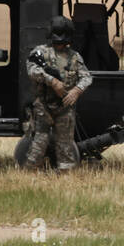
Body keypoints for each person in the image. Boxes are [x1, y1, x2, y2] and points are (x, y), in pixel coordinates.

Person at [22, 16, 92, 171]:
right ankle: (29, 172)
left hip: (65, 108)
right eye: (57, 41)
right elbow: (31, 70)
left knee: (65, 145)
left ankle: (65, 175)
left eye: (62, 41)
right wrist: (52, 81)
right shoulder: (40, 52)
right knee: (39, 142)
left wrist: (77, 90)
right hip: (43, 107)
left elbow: (87, 77)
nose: (60, 44)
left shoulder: (74, 57)